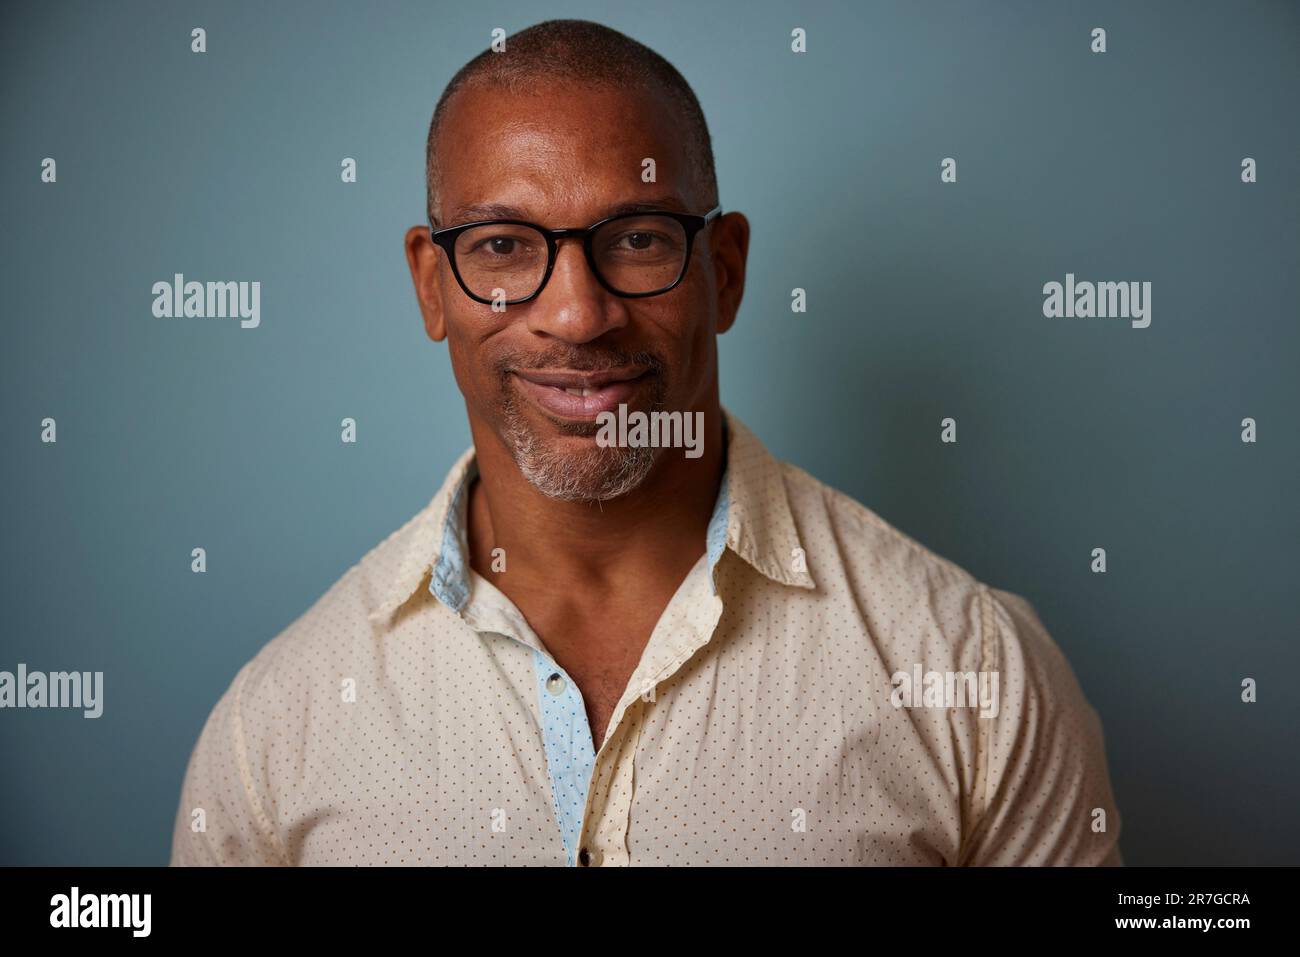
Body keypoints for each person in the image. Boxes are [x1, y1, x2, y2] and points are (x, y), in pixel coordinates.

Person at [170, 18, 1122, 867]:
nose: (578, 315)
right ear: (433, 285)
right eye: (503, 244)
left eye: (636, 239)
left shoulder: (975, 673)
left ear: (726, 270)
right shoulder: (274, 733)